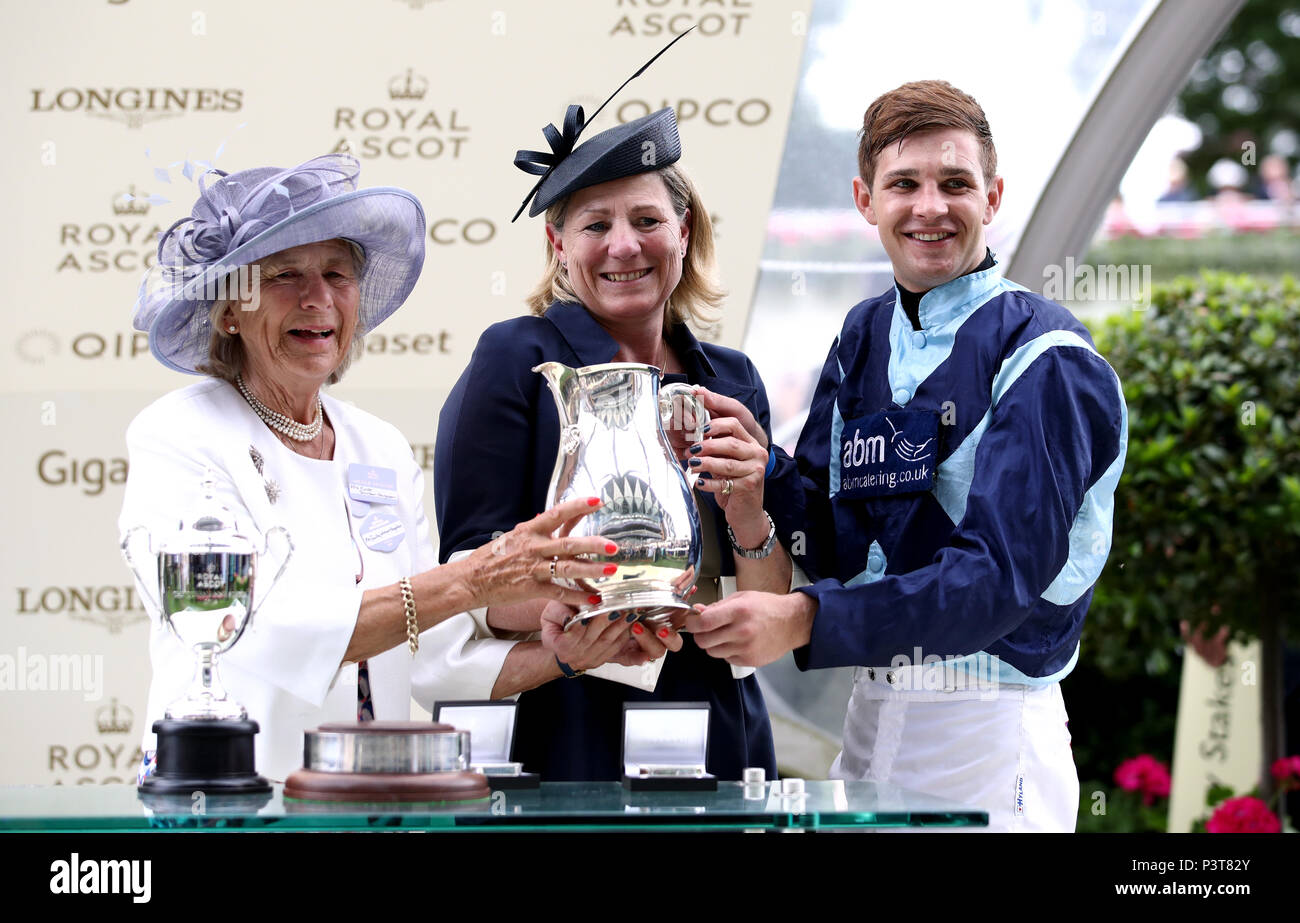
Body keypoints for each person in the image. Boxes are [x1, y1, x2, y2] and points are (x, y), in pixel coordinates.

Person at [687, 80, 1129, 832]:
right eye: (904, 184)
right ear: (866, 200)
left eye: (955, 183)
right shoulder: (864, 334)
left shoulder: (1048, 356)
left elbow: (994, 581)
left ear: (992, 197)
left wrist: (802, 618)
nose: (930, 207)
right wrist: (759, 474)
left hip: (993, 734)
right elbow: (835, 541)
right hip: (869, 723)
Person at [121, 153, 635, 782]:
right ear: (230, 310)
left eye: (337, 274)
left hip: (365, 796)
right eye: (284, 275)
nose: (318, 297)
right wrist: (473, 580)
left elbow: (433, 653)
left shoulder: (379, 446)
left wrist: (564, 656)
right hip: (228, 791)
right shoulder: (182, 432)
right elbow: (255, 626)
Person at [433, 105, 800, 781]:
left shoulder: (733, 379)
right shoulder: (516, 358)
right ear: (558, 244)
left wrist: (750, 510)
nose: (624, 246)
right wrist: (593, 603)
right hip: (569, 717)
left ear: (683, 232)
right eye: (596, 225)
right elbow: (468, 579)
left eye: (647, 220)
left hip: (719, 720)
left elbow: (767, 602)